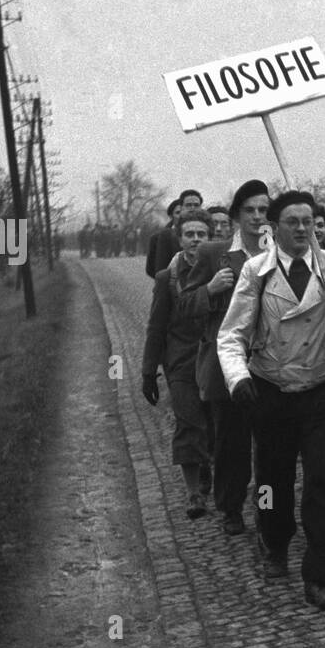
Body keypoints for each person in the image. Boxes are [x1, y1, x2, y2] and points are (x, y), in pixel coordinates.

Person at [218, 191, 325, 610]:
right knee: (273, 478)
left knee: (321, 476)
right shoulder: (256, 271)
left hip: (324, 385)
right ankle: (274, 540)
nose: (302, 228)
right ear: (274, 227)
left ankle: (320, 571)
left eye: (308, 220)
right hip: (271, 388)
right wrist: (237, 378)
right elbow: (232, 333)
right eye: (292, 221)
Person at [173, 180, 269, 535]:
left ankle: (267, 507)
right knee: (231, 443)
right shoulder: (215, 254)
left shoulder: (279, 252)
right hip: (228, 367)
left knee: (270, 445)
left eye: (264, 211)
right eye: (250, 211)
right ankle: (230, 508)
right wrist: (210, 291)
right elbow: (182, 306)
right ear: (235, 216)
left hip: (272, 363)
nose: (258, 218)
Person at [141, 212, 214, 519]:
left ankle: (207, 466)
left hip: (215, 359)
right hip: (180, 362)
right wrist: (148, 371)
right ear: (180, 238)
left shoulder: (222, 271)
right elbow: (156, 326)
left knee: (213, 426)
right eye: (189, 234)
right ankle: (193, 493)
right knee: (188, 422)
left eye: (202, 234)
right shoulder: (167, 278)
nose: (196, 239)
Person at [145, 198, 182, 278]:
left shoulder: (201, 236)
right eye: (178, 213)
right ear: (171, 216)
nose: (182, 215)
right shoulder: (156, 238)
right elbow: (150, 269)